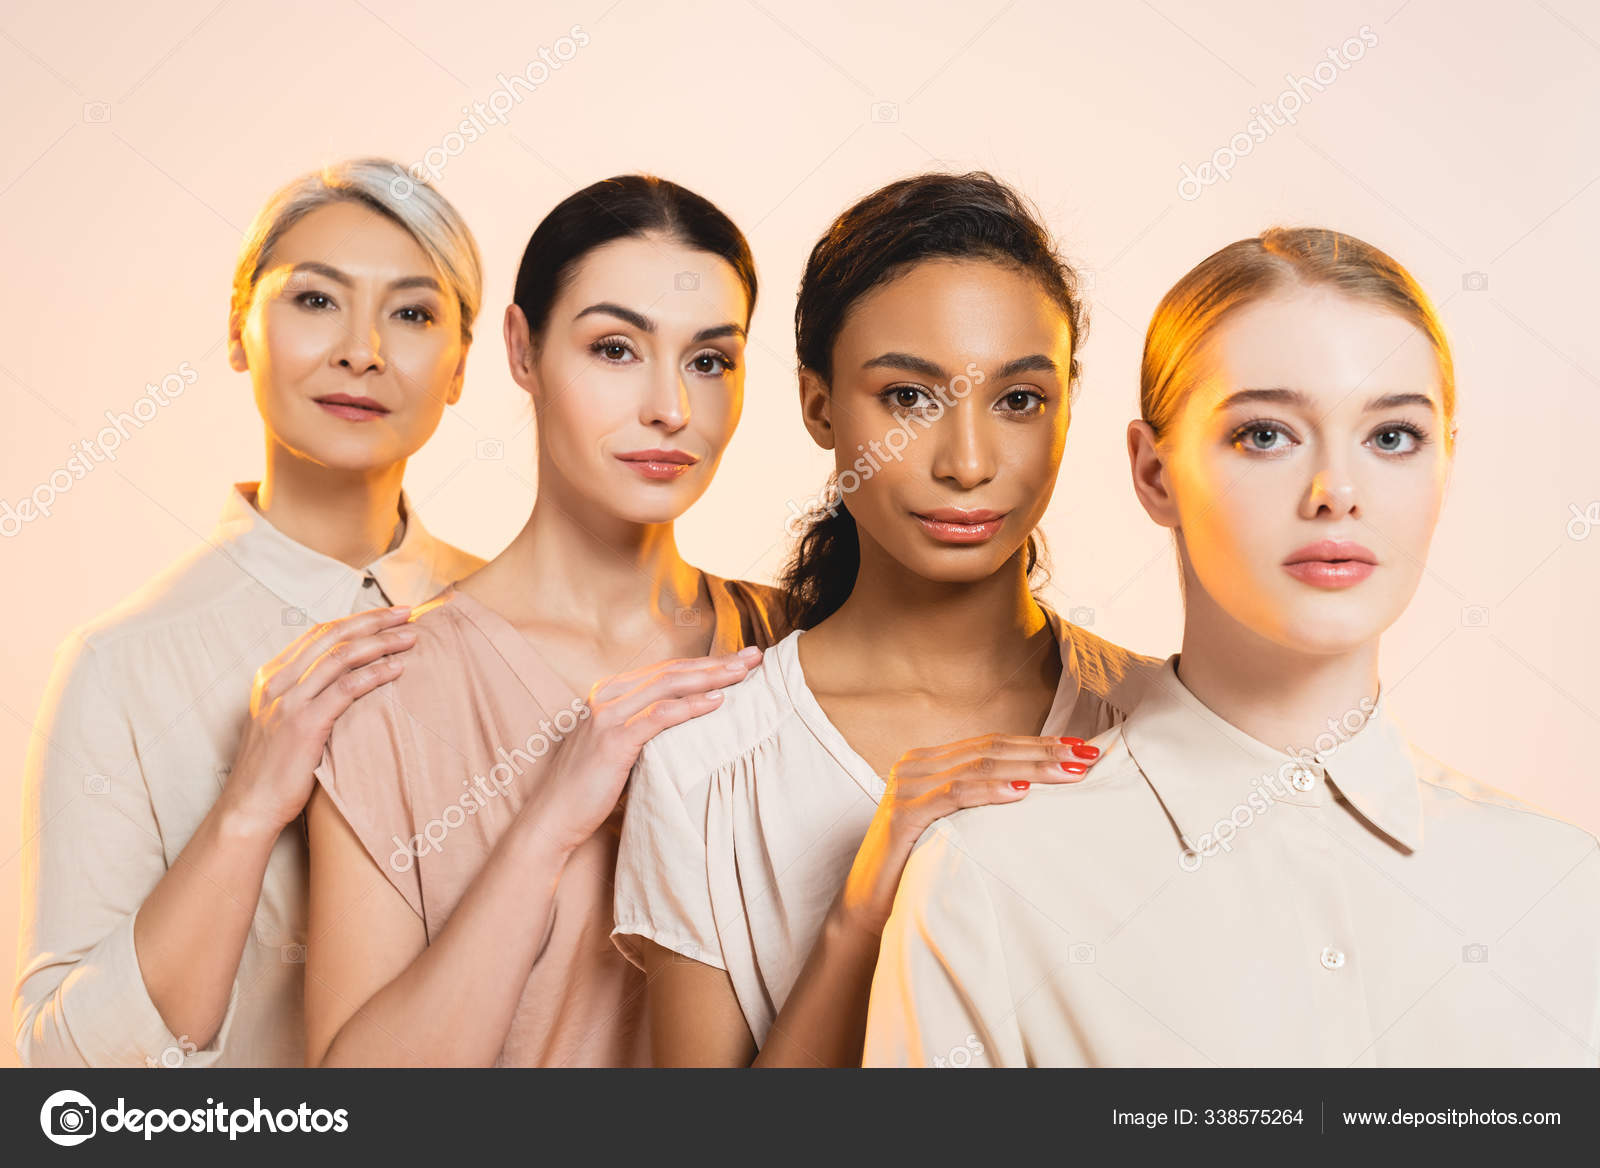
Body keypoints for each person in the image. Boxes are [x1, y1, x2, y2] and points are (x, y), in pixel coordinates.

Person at [863, 227, 1600, 1067]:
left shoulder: (1567, 888)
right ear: (1154, 473)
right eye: (1265, 434)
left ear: (1446, 466)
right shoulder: (991, 884)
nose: (1338, 493)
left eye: (1392, 436)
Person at [611, 172, 1163, 1066]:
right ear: (819, 403)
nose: (969, 461)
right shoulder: (703, 770)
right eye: (910, 397)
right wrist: (862, 909)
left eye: (1019, 400)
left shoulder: (1160, 724)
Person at [304, 175, 787, 1067]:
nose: (671, 408)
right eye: (615, 348)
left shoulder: (794, 649)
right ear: (522, 351)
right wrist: (548, 822)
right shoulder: (389, 688)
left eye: (710, 360)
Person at [14, 158, 485, 1067]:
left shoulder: (520, 620)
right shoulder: (125, 666)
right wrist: (246, 807)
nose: (363, 350)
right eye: (316, 301)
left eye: (414, 313)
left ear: (463, 363)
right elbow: (61, 1081)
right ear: (239, 330)